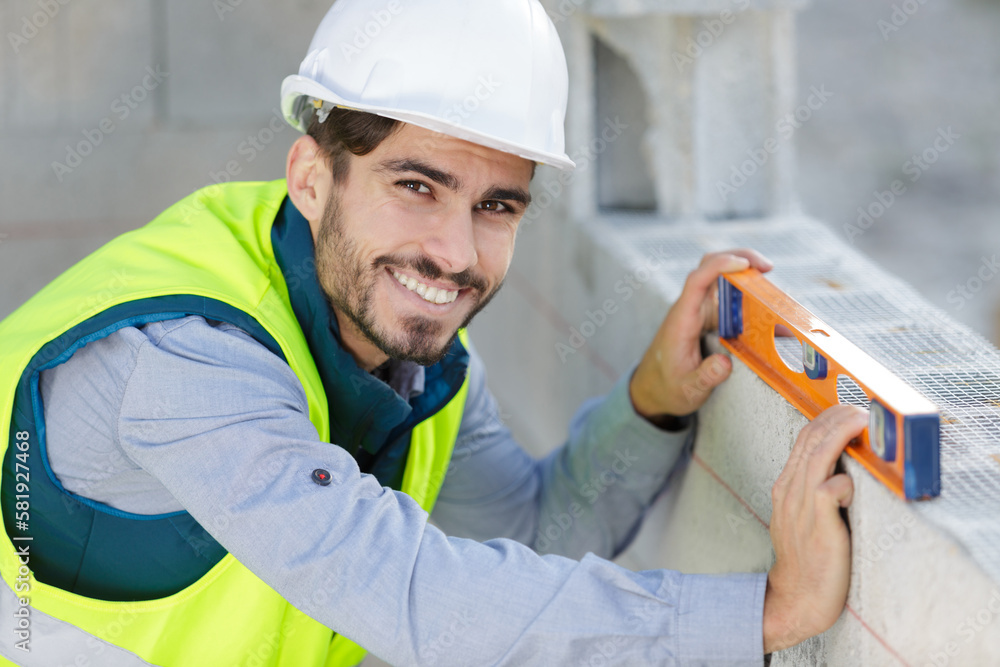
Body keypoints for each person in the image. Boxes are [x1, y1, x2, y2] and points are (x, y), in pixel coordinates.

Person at [0, 0, 866, 665]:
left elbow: (522, 545)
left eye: (496, 206)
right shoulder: (186, 358)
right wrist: (763, 615)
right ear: (311, 175)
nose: (454, 255)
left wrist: (652, 405)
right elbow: (415, 592)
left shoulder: (413, 356)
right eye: (417, 186)